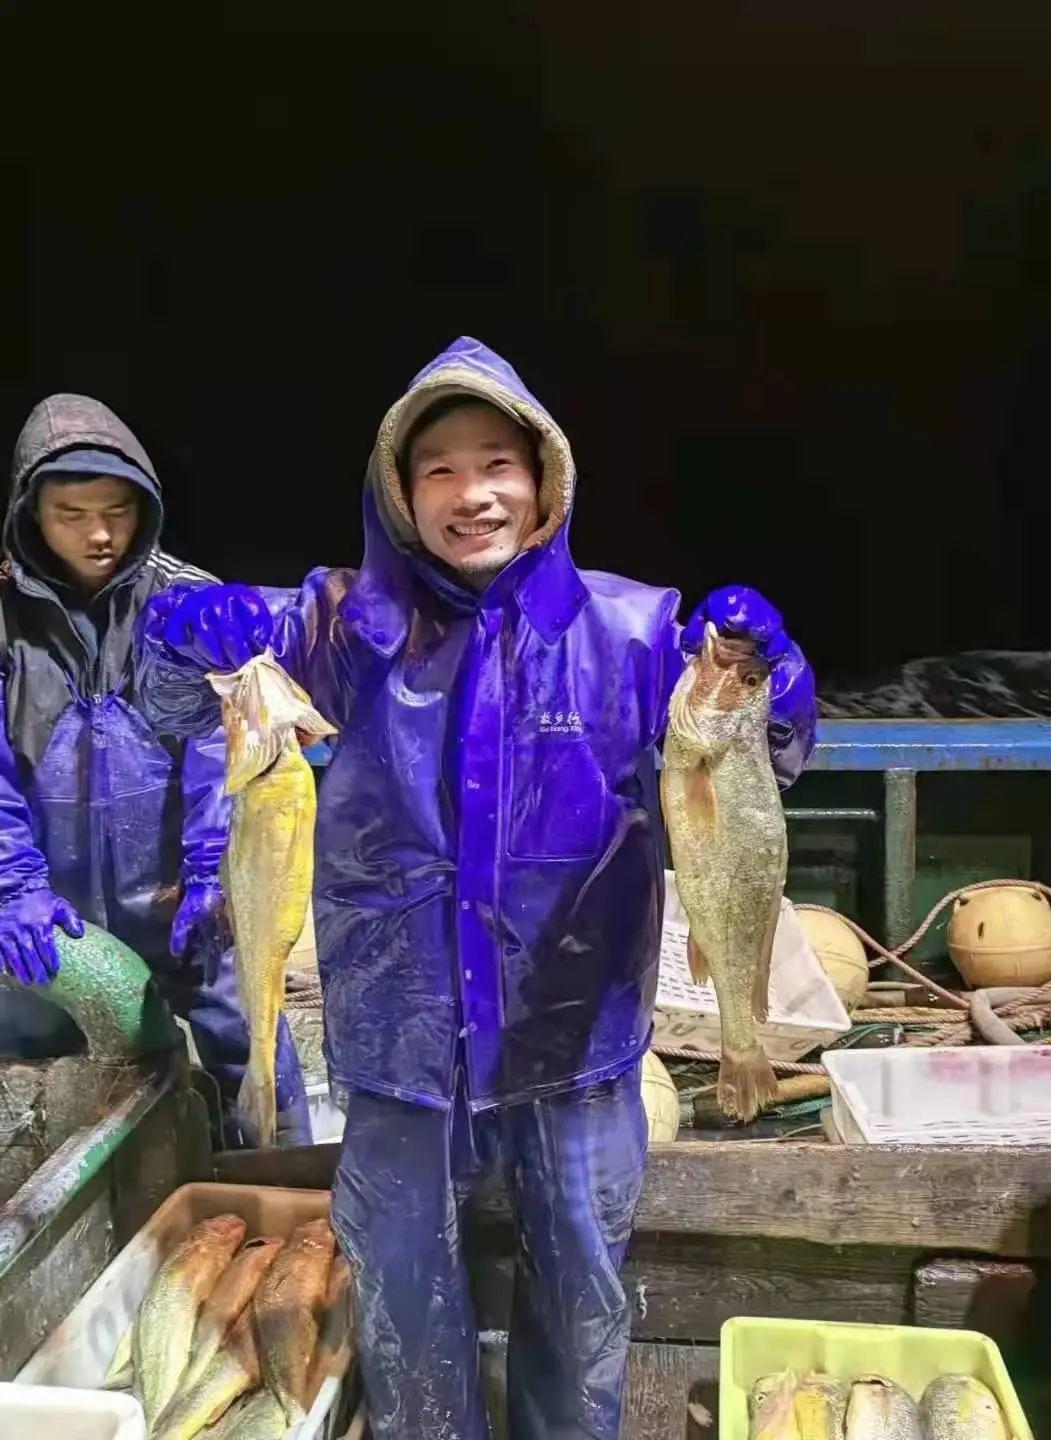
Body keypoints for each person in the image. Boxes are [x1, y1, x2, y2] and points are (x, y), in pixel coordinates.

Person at [137, 338, 816, 1439]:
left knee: (583, 1296)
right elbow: (171, 707)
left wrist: (771, 669)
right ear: (401, 496)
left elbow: (765, 757)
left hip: (577, 1042)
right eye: (438, 468)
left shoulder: (636, 631)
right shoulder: (339, 628)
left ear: (544, 479)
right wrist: (185, 641)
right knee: (402, 1296)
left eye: (496, 461)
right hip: (399, 1046)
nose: (471, 492)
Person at [0, 392, 311, 1146]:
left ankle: (295, 1186)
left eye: (118, 510)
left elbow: (220, 747)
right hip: (53, 912)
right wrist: (12, 884)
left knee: (259, 1048)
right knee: (40, 1085)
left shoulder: (181, 596)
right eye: (72, 514)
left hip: (182, 904)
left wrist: (213, 869)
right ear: (30, 514)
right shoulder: (6, 617)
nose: (101, 534)